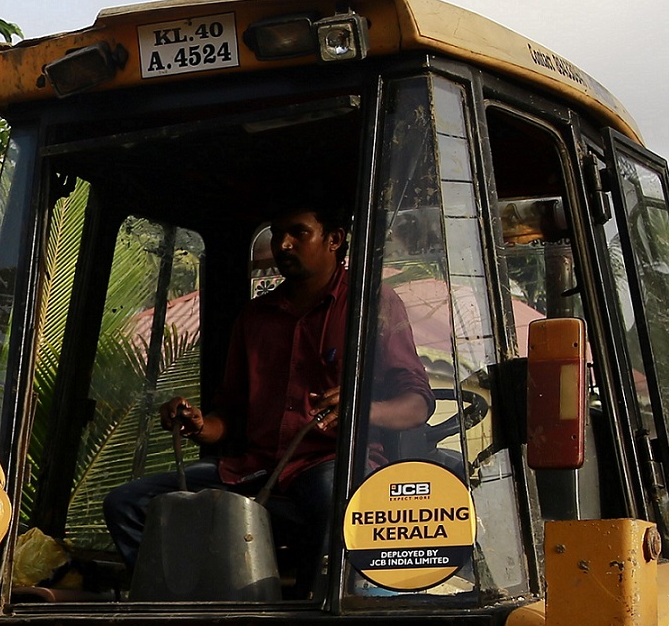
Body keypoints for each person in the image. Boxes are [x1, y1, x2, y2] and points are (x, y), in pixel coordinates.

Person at [105, 196, 431, 579]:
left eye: (298, 233)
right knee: (127, 503)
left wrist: (359, 410)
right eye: (277, 234)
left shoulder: (371, 304)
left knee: (340, 507)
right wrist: (196, 423)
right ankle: (185, 610)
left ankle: (314, 619)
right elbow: (228, 417)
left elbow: (417, 403)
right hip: (253, 470)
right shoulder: (255, 317)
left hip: (327, 464)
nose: (283, 244)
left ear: (335, 239)